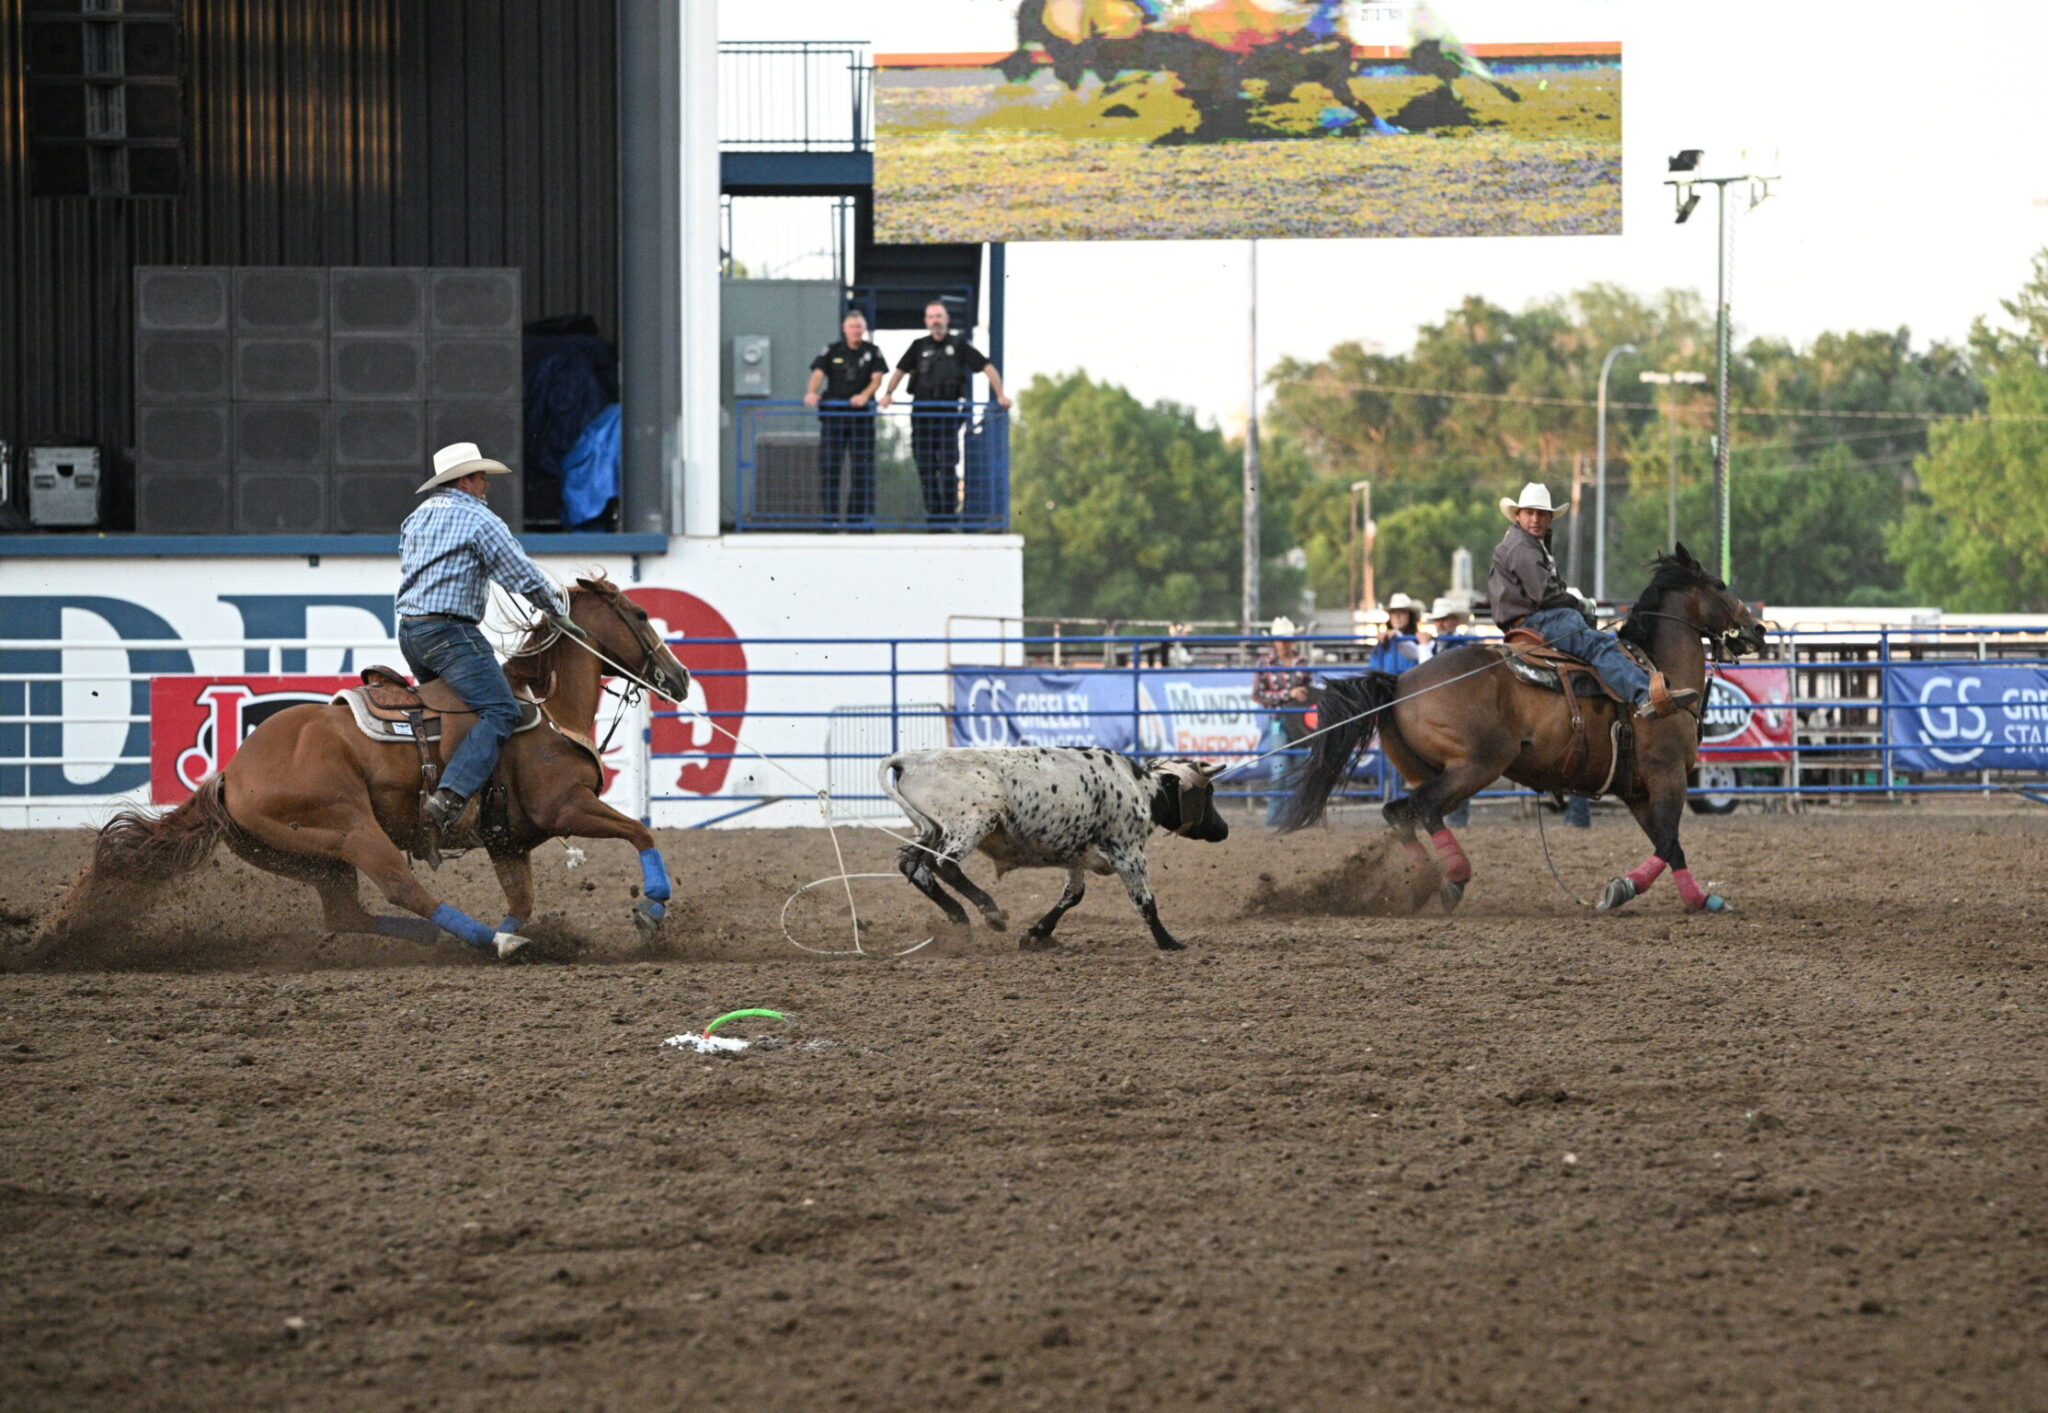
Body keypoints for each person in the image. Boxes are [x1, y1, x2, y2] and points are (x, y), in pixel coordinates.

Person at [397, 442, 571, 832]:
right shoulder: (479, 520)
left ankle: (440, 795)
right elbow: (521, 575)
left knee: (450, 714)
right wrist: (558, 609)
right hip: (449, 632)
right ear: (463, 480)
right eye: (479, 477)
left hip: (411, 633)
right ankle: (452, 796)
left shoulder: (417, 517)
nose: (485, 485)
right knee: (502, 711)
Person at [1488, 481, 1697, 720]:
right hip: (1537, 620)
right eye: (1530, 513)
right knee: (1598, 645)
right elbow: (1544, 594)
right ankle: (1645, 694)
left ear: (1549, 518)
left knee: (1589, 634)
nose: (1535, 519)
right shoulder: (1523, 548)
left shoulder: (1524, 544)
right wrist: (1578, 604)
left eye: (1541, 514)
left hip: (1528, 619)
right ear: (1518, 515)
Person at [878, 300, 1011, 528]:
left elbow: (987, 367)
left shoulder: (959, 345)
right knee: (926, 468)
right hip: (922, 416)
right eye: (931, 317)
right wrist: (888, 393)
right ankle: (935, 519)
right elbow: (899, 371)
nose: (936, 321)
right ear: (926, 321)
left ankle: (948, 517)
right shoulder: (918, 346)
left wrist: (1000, 395)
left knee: (948, 466)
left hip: (948, 417)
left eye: (939, 316)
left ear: (946, 319)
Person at [803, 310, 889, 526]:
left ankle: (856, 521)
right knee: (830, 468)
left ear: (865, 328)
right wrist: (812, 392)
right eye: (852, 326)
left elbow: (877, 379)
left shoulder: (873, 351)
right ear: (844, 329)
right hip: (835, 418)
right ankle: (829, 519)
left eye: (859, 326)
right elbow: (818, 374)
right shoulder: (832, 350)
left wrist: (864, 396)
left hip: (861, 419)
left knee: (862, 470)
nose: (856, 331)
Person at [1254, 618, 1317, 828]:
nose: (1283, 644)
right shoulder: (1265, 664)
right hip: (1279, 721)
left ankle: (1289, 819)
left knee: (1298, 771)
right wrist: (1289, 693)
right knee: (1280, 770)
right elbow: (1258, 694)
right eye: (1280, 640)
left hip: (1300, 725)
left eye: (1287, 640)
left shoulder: (1302, 663)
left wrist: (1304, 695)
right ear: (1274, 641)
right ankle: (1275, 820)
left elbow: (1311, 693)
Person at [1367, 592, 1424, 674]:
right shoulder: (1383, 643)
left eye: (1402, 612)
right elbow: (1373, 667)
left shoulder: (1420, 640)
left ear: (1410, 616)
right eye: (1393, 612)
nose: (1397, 616)